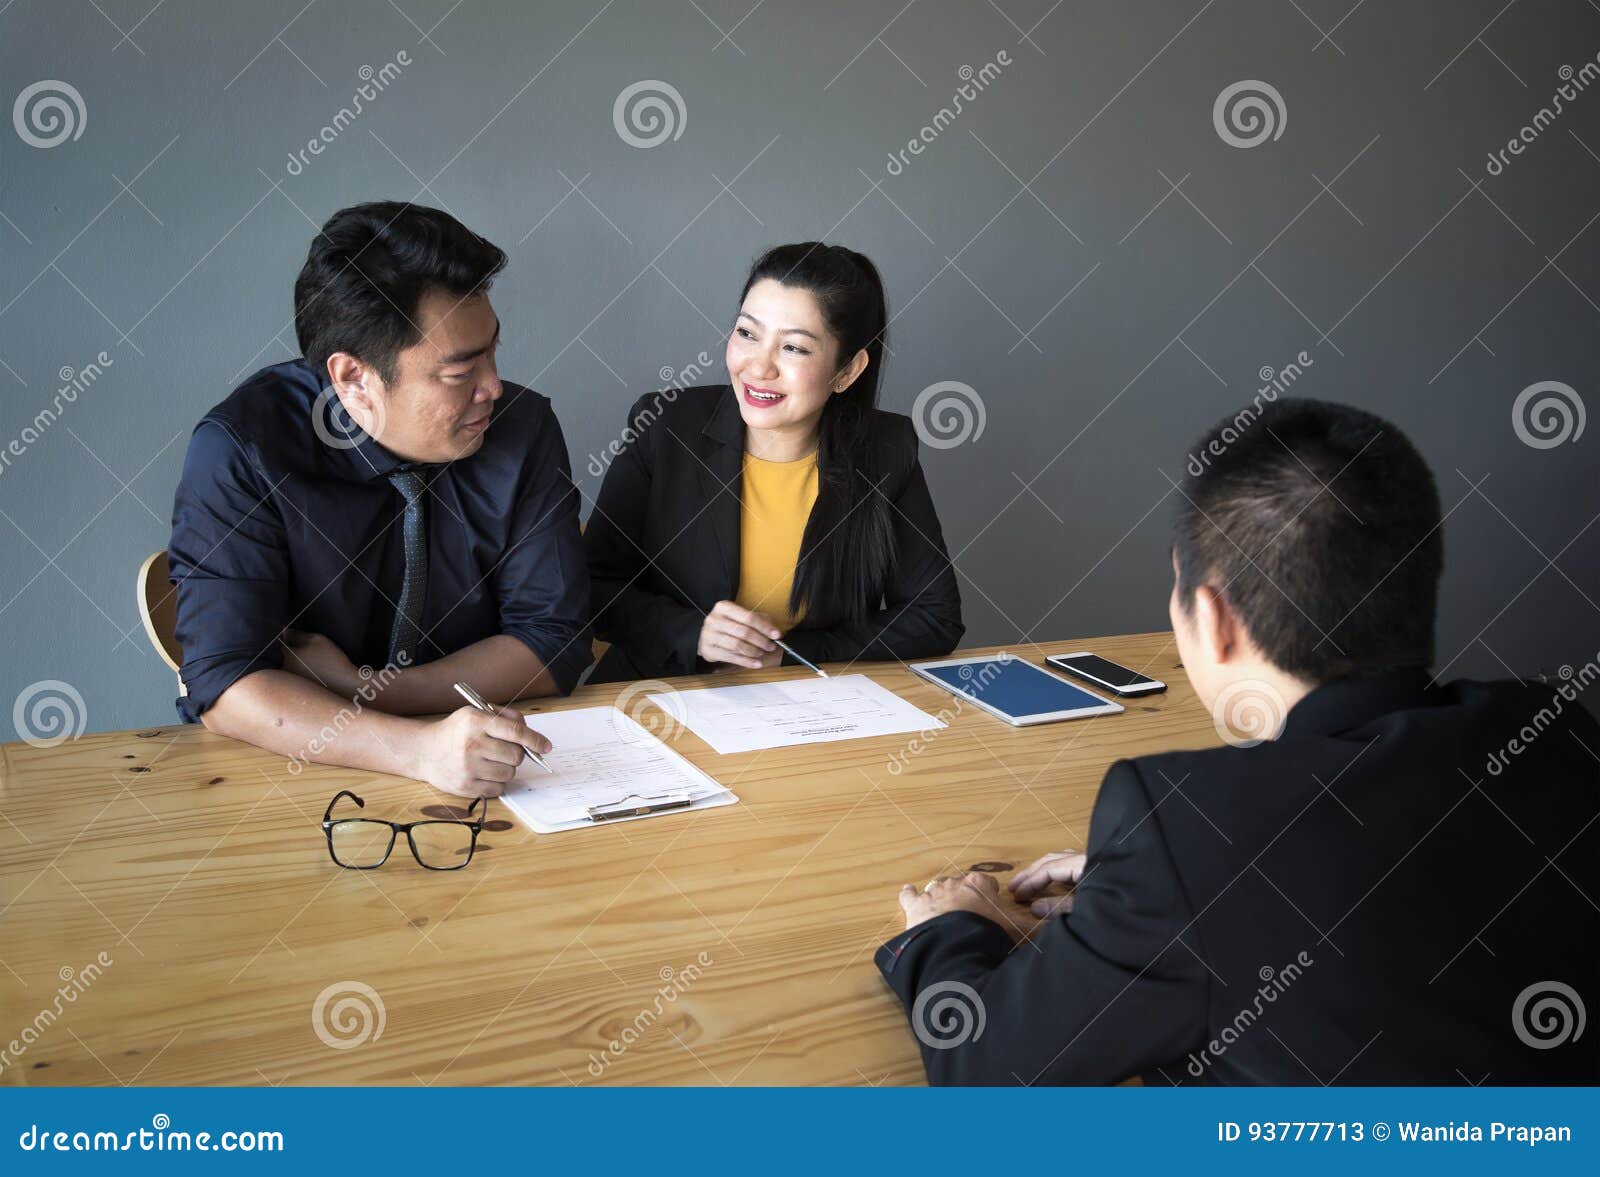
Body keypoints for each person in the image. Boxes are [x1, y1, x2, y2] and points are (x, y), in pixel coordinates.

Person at [878, 398, 1600, 1085]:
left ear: (1214, 618)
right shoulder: (1557, 732)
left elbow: (986, 1069)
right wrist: (1139, 894)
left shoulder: (1185, 826)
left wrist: (952, 931)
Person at [167, 201, 590, 798]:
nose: (494, 386)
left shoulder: (524, 431)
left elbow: (553, 642)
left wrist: (371, 688)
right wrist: (416, 750)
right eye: (459, 372)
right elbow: (227, 681)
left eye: (494, 351)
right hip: (286, 780)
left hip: (491, 766)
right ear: (353, 378)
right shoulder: (244, 449)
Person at [584, 242, 963, 682]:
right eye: (747, 333)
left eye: (795, 349)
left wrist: (791, 653)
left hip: (800, 710)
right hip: (659, 694)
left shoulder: (886, 451)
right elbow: (591, 588)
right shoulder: (665, 427)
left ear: (848, 371)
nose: (759, 367)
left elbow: (934, 617)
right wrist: (693, 633)